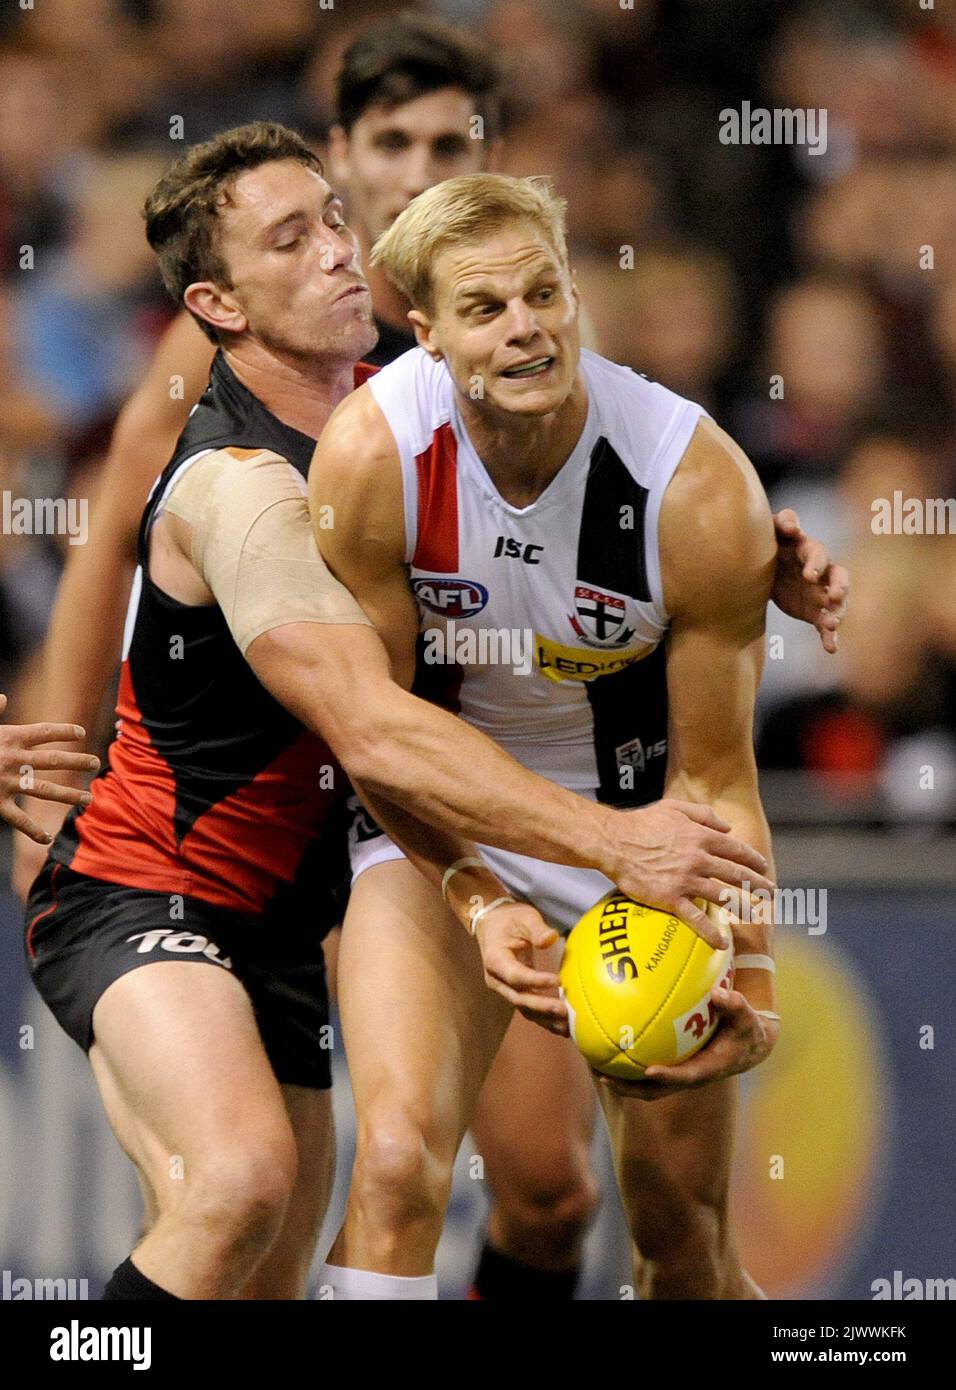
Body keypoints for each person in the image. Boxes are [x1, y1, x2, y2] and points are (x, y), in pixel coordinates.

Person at [14, 15, 847, 1302]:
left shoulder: (430, 370)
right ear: (219, 302)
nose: (341, 247)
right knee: (265, 1186)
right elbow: (370, 722)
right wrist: (36, 743)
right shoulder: (244, 464)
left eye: (336, 223)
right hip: (181, 876)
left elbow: (581, 508)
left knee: (382, 1231)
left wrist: (732, 558)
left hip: (310, 882)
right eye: (296, 237)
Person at [309, 172, 792, 1301]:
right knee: (390, 1164)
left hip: (645, 836)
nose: (526, 327)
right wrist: (477, 893)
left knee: (682, 1240)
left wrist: (756, 984)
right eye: (484, 309)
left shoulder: (693, 483)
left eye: (544, 294)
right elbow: (379, 734)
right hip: (437, 818)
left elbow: (716, 774)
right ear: (423, 335)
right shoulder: (372, 461)